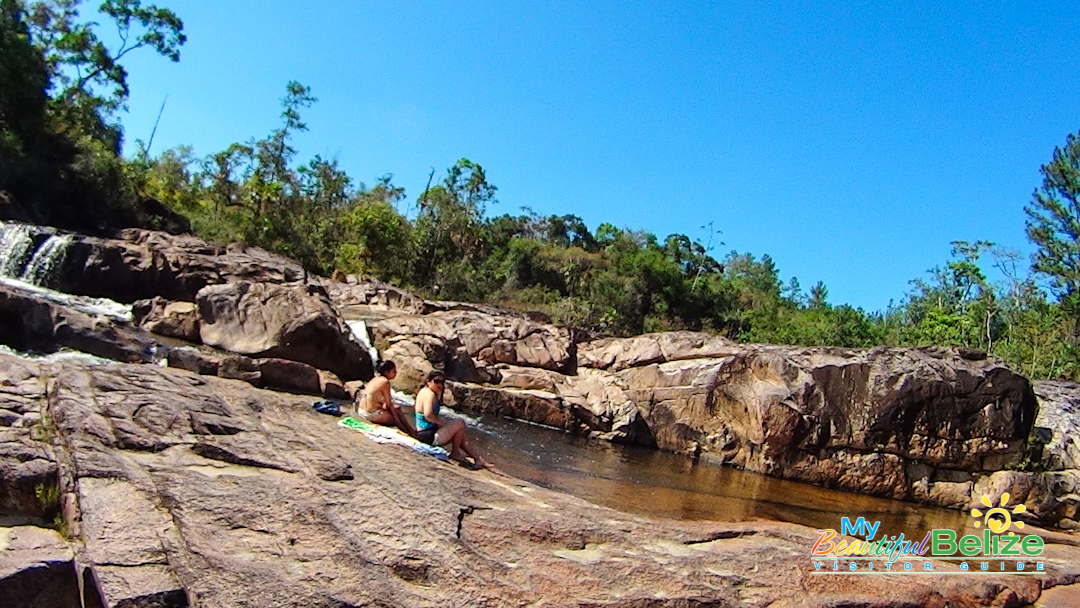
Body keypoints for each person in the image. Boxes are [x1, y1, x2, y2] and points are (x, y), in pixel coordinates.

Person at [414, 370, 493, 470]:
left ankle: (478, 459)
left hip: (424, 433)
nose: (440, 385)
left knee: (459, 435)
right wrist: (440, 424)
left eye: (442, 382)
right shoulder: (430, 394)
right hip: (427, 435)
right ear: (428, 381)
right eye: (436, 381)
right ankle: (456, 453)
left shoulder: (424, 391)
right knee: (460, 423)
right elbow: (428, 414)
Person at [354, 360, 414, 437]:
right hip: (370, 414)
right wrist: (397, 421)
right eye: (394, 371)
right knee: (396, 417)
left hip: (361, 410)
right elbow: (389, 404)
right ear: (387, 372)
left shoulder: (375, 379)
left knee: (397, 409)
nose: (396, 373)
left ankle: (410, 430)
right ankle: (410, 431)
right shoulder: (385, 382)